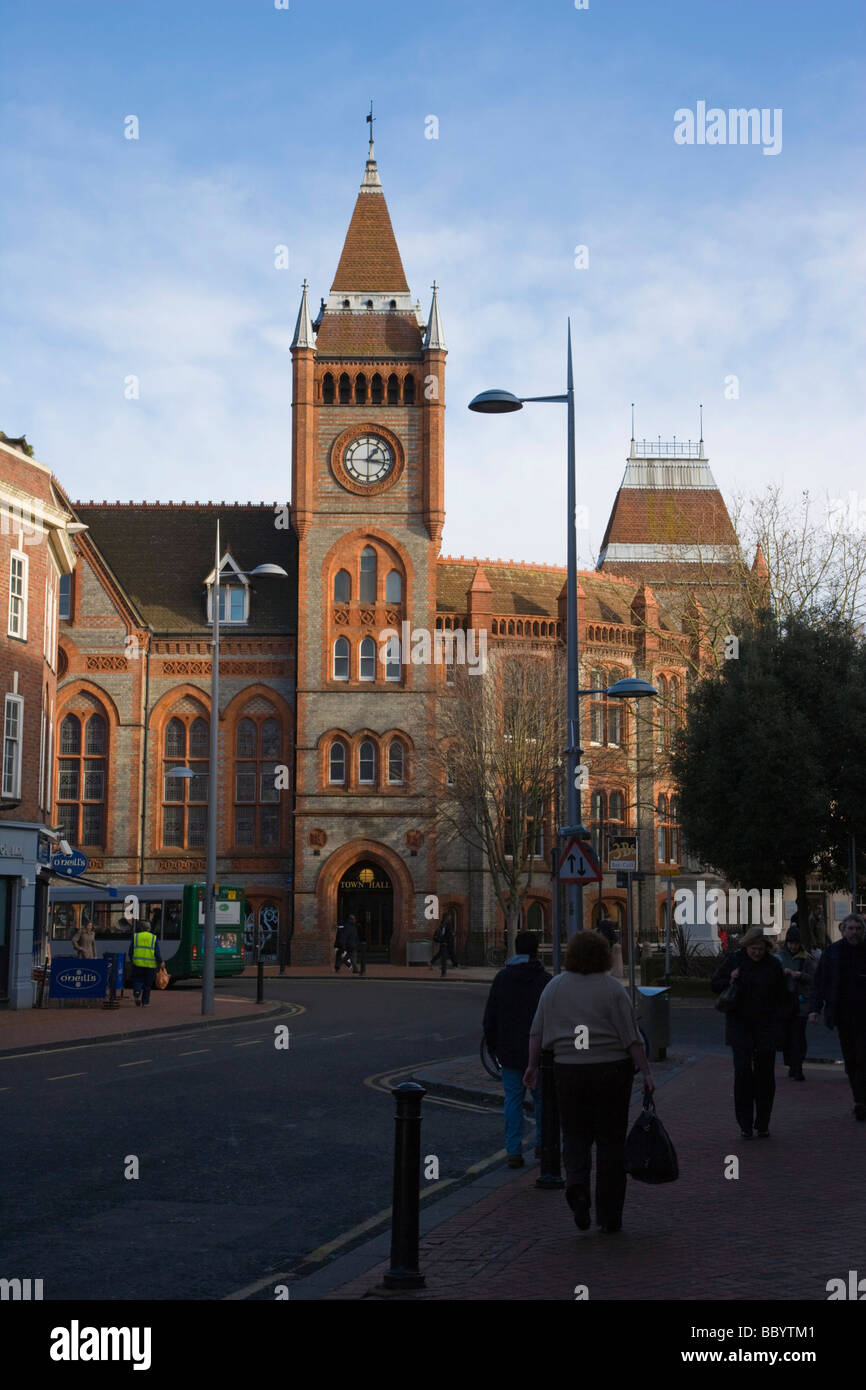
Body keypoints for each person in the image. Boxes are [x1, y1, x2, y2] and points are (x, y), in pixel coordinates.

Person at [524, 931, 653, 1233]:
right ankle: (609, 1216)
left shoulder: (554, 987)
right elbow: (631, 1037)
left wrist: (531, 1066)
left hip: (568, 1070)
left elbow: (536, 1033)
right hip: (611, 1070)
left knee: (575, 1136)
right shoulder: (612, 989)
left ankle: (578, 1187)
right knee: (610, 1142)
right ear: (604, 956)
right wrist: (645, 1071)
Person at [711, 925, 789, 1138]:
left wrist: (781, 1025)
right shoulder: (736, 961)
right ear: (746, 946)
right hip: (740, 1026)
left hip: (765, 1027)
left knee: (765, 1076)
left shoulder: (773, 965)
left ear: (766, 947)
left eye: (761, 948)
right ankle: (745, 1124)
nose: (757, 952)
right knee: (743, 1074)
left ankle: (762, 1122)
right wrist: (731, 978)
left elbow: (782, 996)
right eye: (753, 948)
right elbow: (714, 984)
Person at [483, 932, 550, 1168]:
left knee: (513, 1100)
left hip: (510, 1052)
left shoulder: (502, 978)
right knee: (542, 1101)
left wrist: (494, 1046)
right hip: (540, 1052)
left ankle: (514, 1151)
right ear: (536, 951)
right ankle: (543, 1146)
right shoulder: (545, 980)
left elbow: (490, 1017)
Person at [808, 913, 866, 1119]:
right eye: (850, 928)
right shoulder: (832, 953)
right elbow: (820, 983)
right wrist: (814, 1008)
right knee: (850, 1058)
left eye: (858, 929)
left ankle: (862, 1100)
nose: (854, 932)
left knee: (863, 1057)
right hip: (842, 1015)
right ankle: (859, 1098)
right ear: (843, 930)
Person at [777, 925, 816, 1080]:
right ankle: (791, 1063)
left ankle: (798, 1067)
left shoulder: (807, 959)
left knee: (798, 1035)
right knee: (786, 1036)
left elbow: (814, 980)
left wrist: (801, 976)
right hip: (785, 1002)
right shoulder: (780, 957)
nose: (793, 946)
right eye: (790, 943)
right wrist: (782, 974)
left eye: (796, 943)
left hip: (801, 1003)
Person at [128, 917, 162, 1007]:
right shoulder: (153, 938)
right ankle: (145, 1002)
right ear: (149, 928)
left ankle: (137, 991)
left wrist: (133, 960)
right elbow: (156, 952)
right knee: (148, 984)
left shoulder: (136, 937)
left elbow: (130, 952)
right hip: (150, 965)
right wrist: (161, 962)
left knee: (137, 980)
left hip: (137, 964)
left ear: (141, 928)